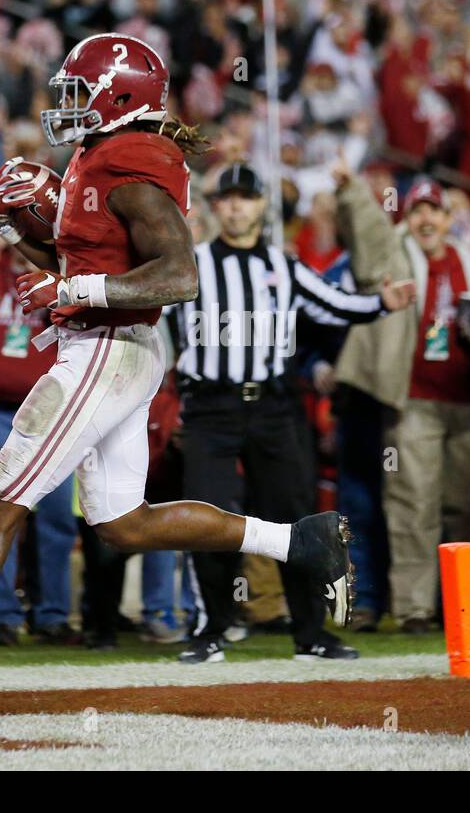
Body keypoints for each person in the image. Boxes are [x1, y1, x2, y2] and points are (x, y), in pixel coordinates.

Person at [0, 34, 359, 721]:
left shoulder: (129, 159)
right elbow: (83, 266)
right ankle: (298, 542)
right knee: (124, 523)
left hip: (102, 352)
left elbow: (177, 273)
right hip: (112, 347)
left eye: (78, 90)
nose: (65, 104)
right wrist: (26, 233)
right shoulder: (107, 155)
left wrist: (81, 288)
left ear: (119, 94)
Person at [169, 163, 414, 663]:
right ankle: (212, 628)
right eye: (227, 198)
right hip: (209, 408)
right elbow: (153, 319)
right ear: (215, 207)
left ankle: (310, 633)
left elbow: (335, 303)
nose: (236, 206)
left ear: (262, 206)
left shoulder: (285, 267)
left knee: (295, 519)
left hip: (274, 409)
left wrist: (380, 304)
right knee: (208, 519)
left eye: (245, 197)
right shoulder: (190, 266)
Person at [332, 169, 470, 633]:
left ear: (448, 218)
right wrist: (350, 190)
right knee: (412, 507)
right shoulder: (394, 254)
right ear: (408, 217)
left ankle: (465, 607)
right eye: (417, 209)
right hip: (413, 402)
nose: (426, 219)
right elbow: (366, 232)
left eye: (435, 210)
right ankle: (415, 609)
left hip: (469, 404)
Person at [0, 215, 79, 646]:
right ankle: (4, 614)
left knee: (58, 517)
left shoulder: (64, 280)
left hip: (53, 410)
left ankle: (52, 614)